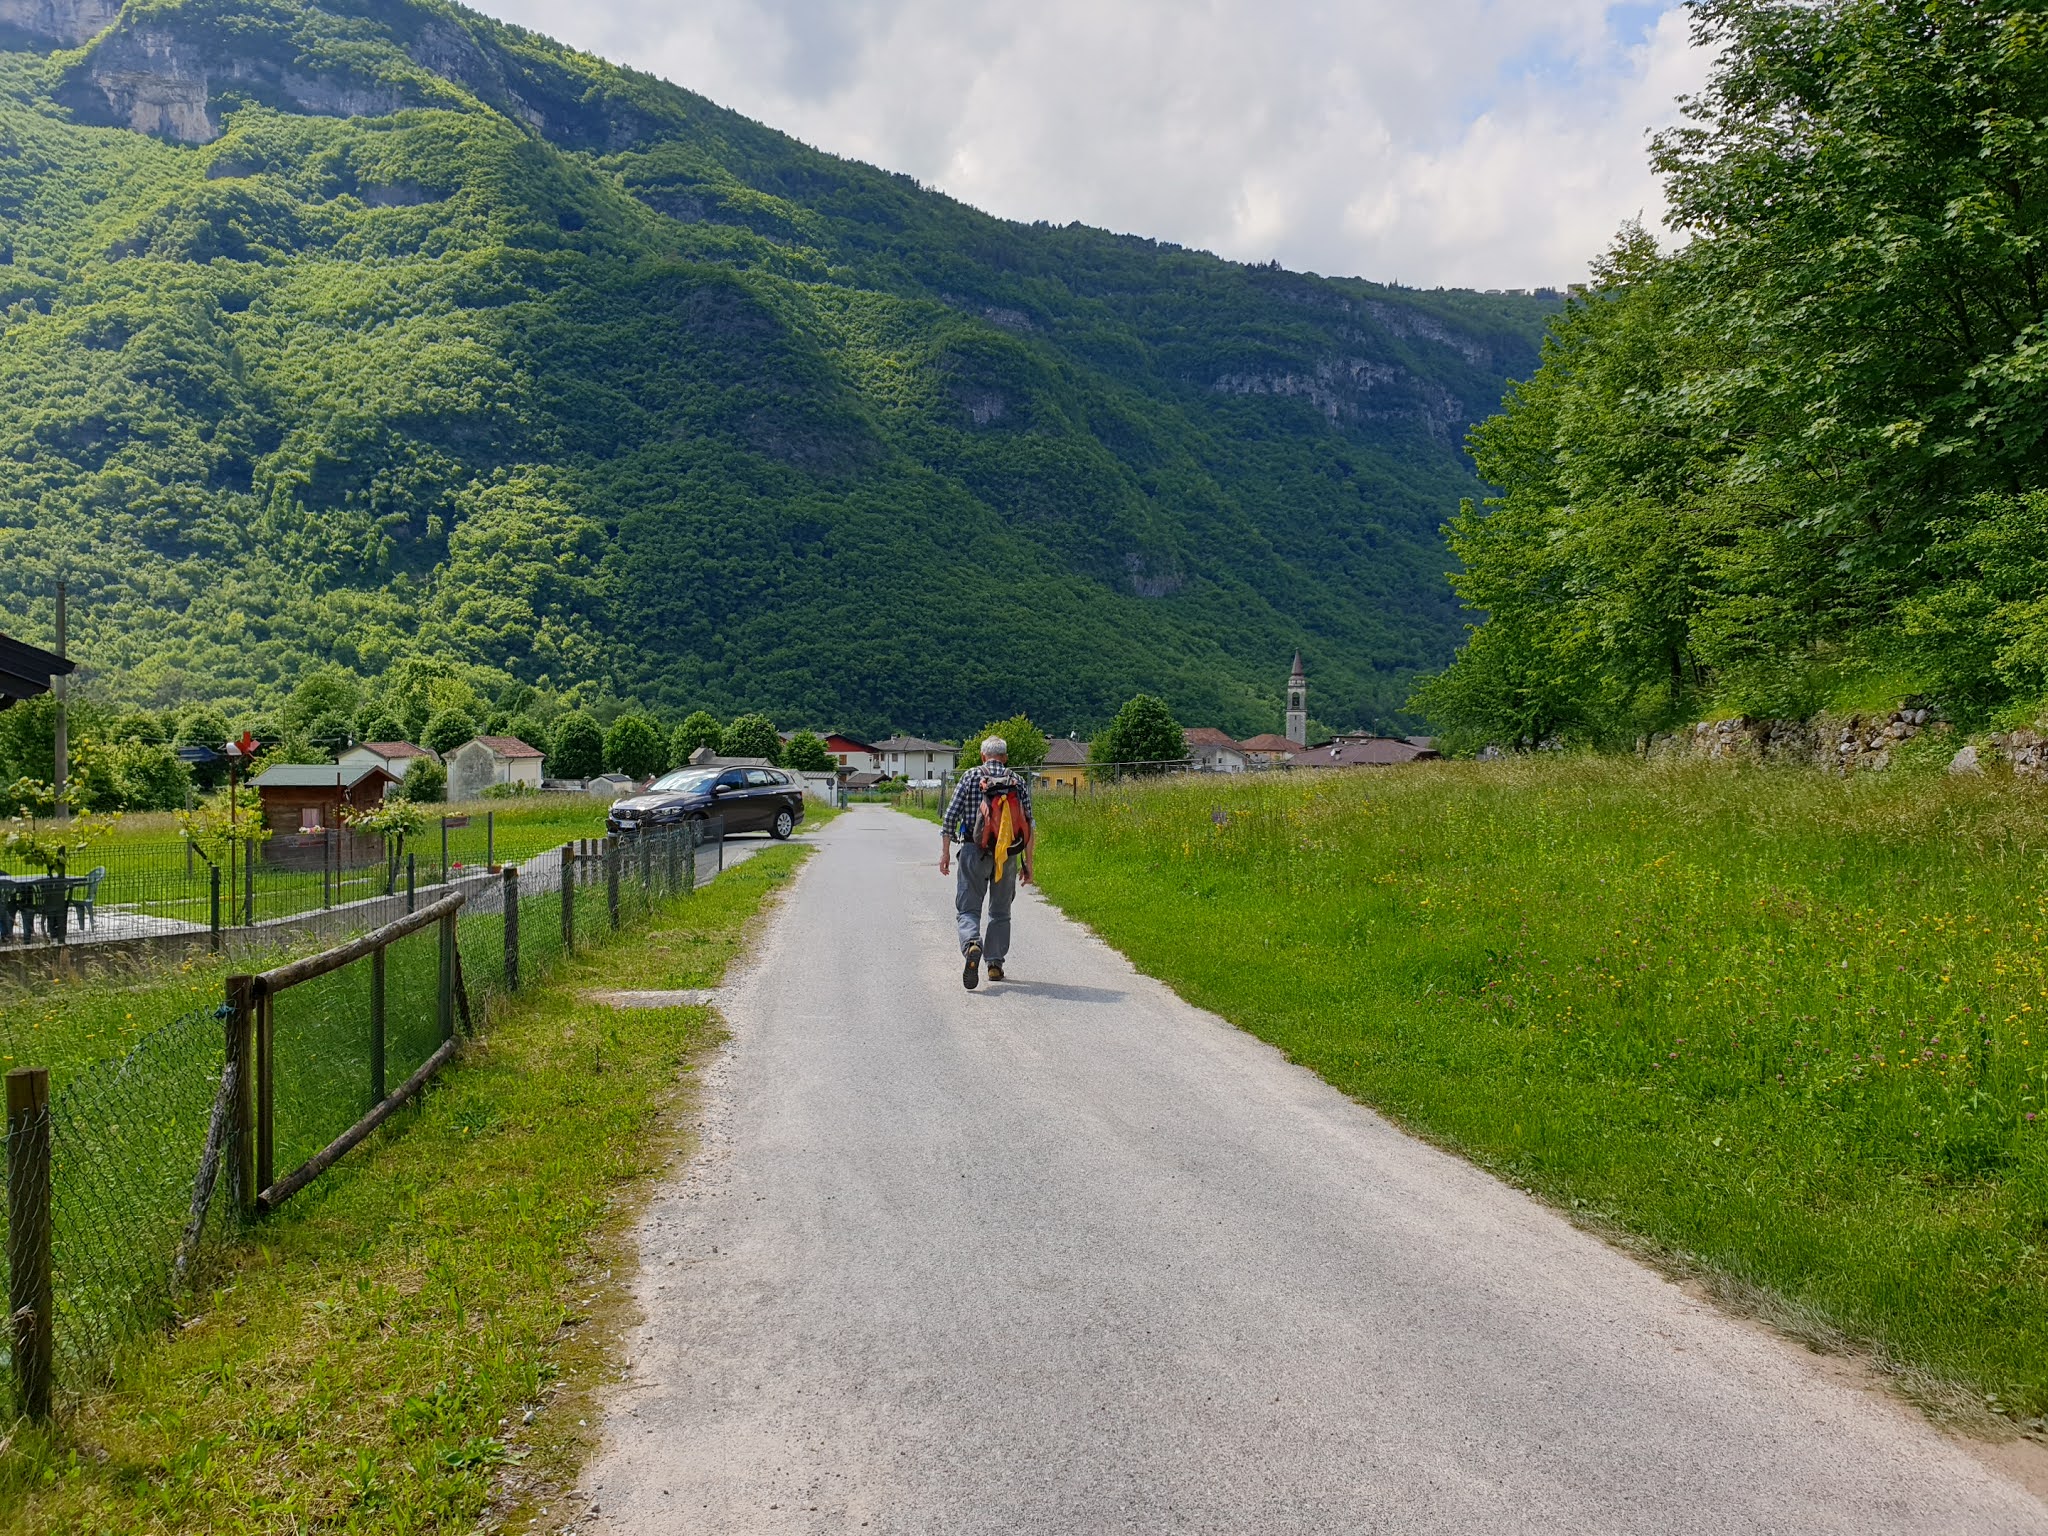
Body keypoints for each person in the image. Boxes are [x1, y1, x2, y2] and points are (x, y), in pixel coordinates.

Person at [939, 736, 1035, 990]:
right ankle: (994, 964)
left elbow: (950, 816)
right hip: (1008, 855)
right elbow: (1028, 825)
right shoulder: (1017, 780)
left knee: (968, 908)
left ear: (983, 756)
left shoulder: (970, 776)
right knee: (1000, 911)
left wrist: (945, 852)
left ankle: (972, 943)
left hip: (974, 849)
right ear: (1004, 757)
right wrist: (1029, 864)